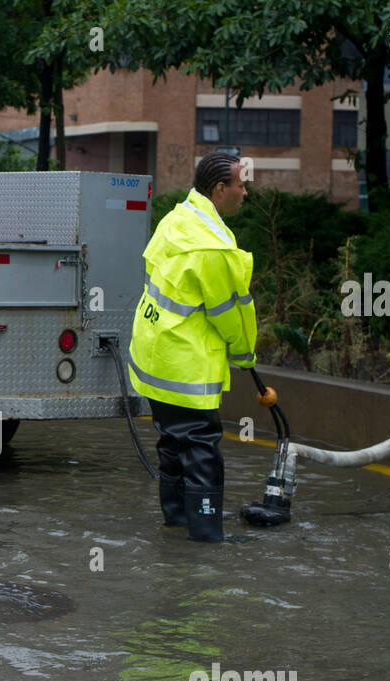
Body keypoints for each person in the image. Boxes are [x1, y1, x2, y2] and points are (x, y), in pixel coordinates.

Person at [126, 151, 257, 542]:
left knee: (171, 442)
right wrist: (245, 353)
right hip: (186, 367)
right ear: (220, 189)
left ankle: (175, 523)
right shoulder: (212, 247)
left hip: (155, 355)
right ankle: (206, 538)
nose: (245, 192)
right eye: (241, 184)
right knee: (201, 449)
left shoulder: (177, 220)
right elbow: (228, 313)